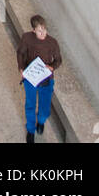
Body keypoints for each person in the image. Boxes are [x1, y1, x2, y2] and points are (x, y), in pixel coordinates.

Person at [17, 14, 62, 143]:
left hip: (46, 79)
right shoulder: (27, 38)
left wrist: (52, 67)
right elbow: (20, 53)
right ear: (33, 30)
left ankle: (41, 121)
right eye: (39, 31)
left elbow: (58, 60)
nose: (43, 33)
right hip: (31, 77)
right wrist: (21, 68)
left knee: (44, 107)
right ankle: (30, 130)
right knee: (30, 105)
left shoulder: (52, 42)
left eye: (44, 29)